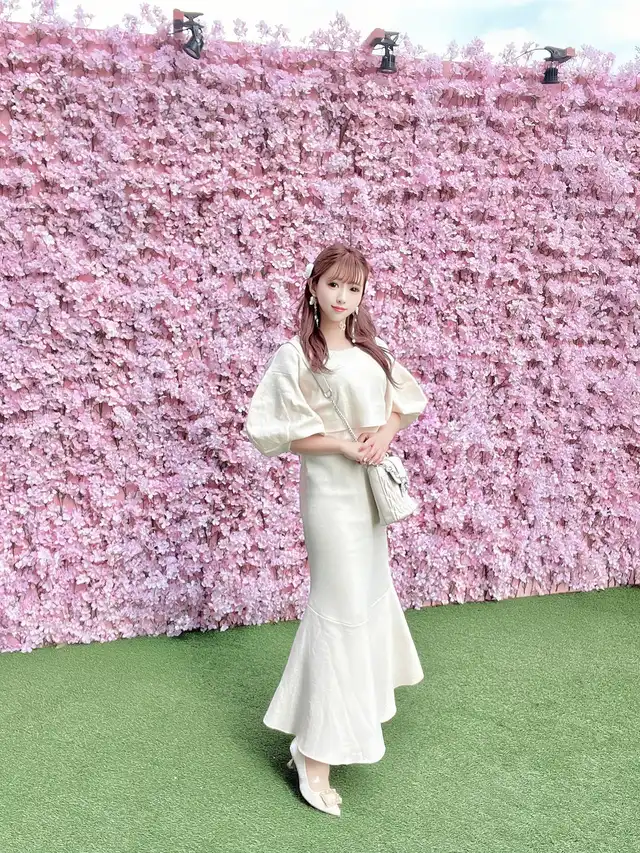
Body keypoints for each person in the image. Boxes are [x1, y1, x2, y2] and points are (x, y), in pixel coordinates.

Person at [243, 243, 427, 817]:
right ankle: (313, 753)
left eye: (353, 287)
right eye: (333, 285)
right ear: (313, 287)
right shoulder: (295, 355)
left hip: (369, 495)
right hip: (329, 497)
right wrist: (344, 444)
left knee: (364, 597)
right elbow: (274, 432)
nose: (343, 296)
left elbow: (405, 400)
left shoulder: (374, 349)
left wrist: (383, 436)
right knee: (337, 608)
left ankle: (335, 726)